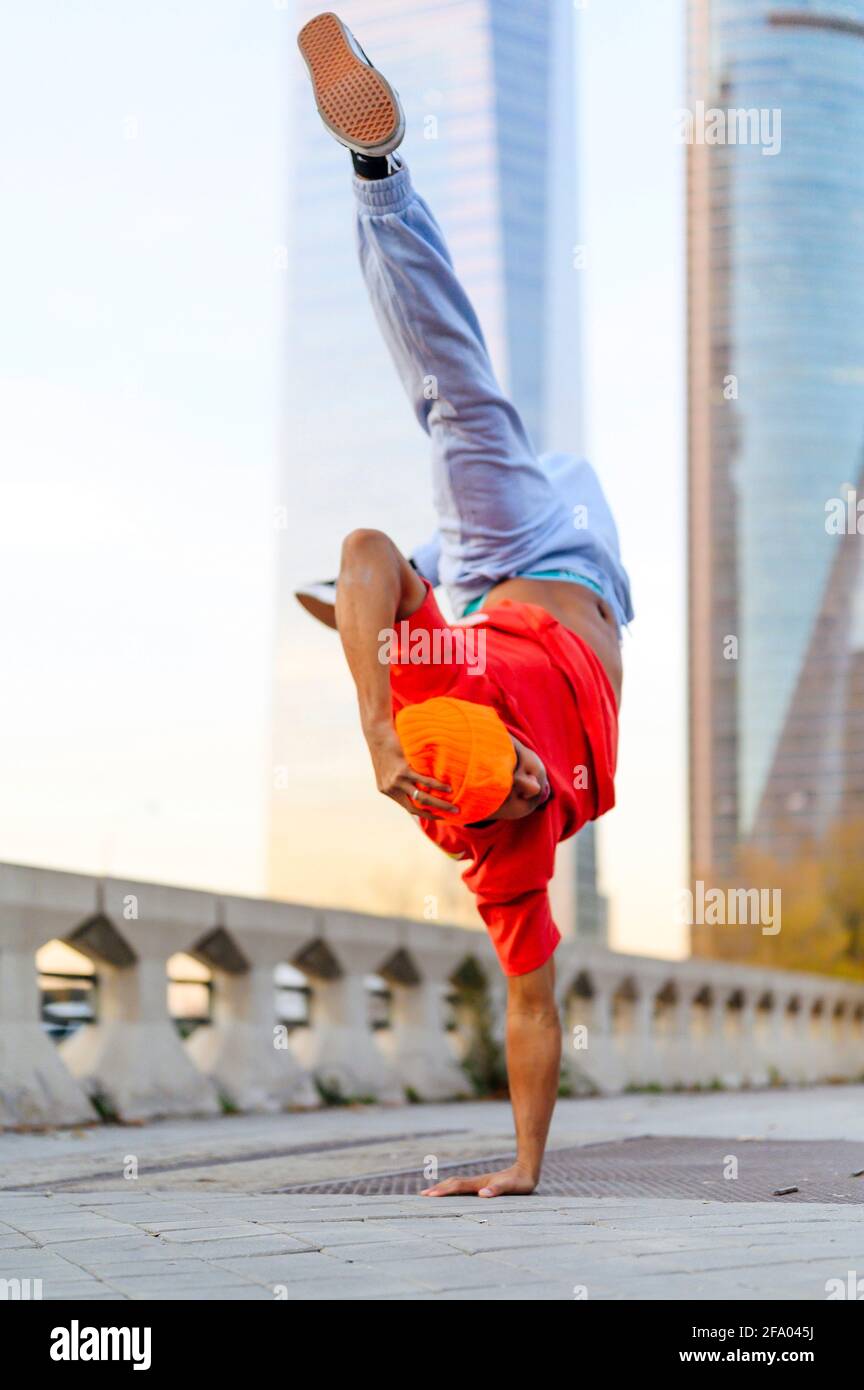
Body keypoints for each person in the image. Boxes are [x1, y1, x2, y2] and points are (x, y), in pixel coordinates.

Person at [295, 11, 633, 1198]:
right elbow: (537, 1003)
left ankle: (378, 177)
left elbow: (366, 542)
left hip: (479, 582)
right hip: (564, 559)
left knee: (405, 496)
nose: (539, 781)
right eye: (534, 786)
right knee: (457, 419)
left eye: (520, 782)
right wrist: (528, 1168)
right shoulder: (523, 857)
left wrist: (380, 718)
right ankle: (379, 177)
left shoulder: (467, 815)